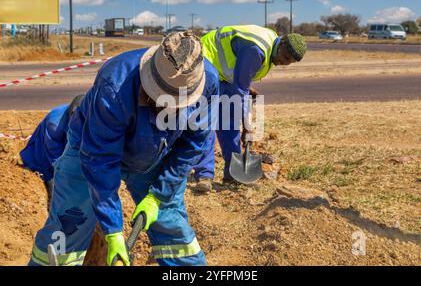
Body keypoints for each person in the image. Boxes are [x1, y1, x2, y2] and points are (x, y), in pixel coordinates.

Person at [28, 31, 219, 266]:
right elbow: (100, 160)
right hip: (90, 149)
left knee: (171, 227)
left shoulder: (208, 82)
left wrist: (157, 196)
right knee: (70, 222)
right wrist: (113, 231)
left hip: (157, 152)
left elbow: (192, 143)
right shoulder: (115, 85)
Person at [192, 25, 307, 193]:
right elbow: (241, 91)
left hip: (225, 76)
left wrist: (244, 88)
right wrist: (248, 127)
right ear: (281, 44)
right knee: (207, 122)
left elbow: (243, 81)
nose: (284, 63)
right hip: (206, 62)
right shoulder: (256, 49)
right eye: (285, 57)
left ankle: (232, 173)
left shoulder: (273, 48)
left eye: (290, 62)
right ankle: (204, 174)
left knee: (229, 124)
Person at [20, 95, 85, 204]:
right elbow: (55, 159)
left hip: (67, 154)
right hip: (42, 158)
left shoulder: (87, 117)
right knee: (56, 189)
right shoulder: (55, 123)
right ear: (71, 115)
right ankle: (53, 210)